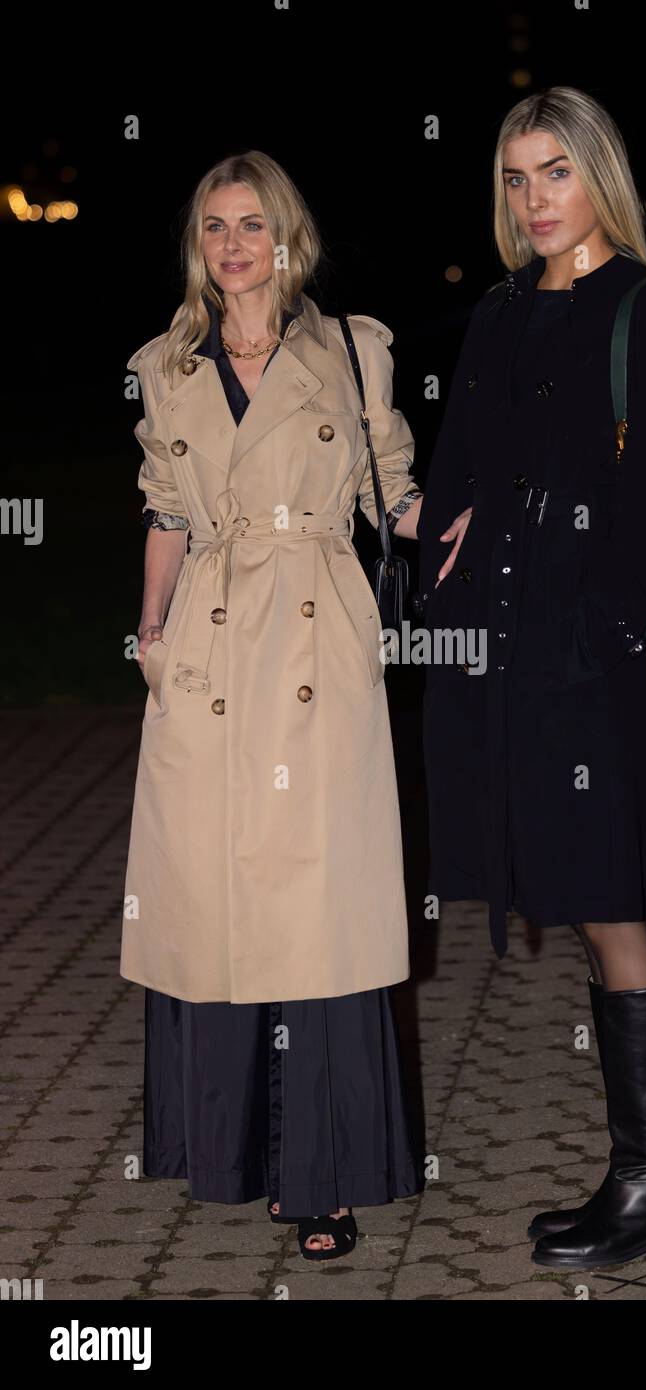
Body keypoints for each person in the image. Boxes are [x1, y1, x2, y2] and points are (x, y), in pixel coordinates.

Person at [121, 150, 433, 1261]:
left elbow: (393, 492)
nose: (233, 245)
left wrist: (470, 526)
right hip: (206, 650)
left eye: (252, 224)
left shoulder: (352, 349)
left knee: (322, 910)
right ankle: (234, 1149)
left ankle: (326, 1174)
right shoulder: (166, 364)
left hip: (317, 639)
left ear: (287, 236)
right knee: (213, 904)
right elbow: (165, 508)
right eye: (214, 227)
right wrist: (150, 636)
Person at [416, 87, 646, 1270]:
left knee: (614, 897)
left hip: (584, 653)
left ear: (600, 177)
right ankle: (642, 1182)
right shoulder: (494, 314)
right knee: (583, 899)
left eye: (555, 172)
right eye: (514, 178)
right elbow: (463, 471)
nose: (534, 199)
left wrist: (604, 622)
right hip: (500, 649)